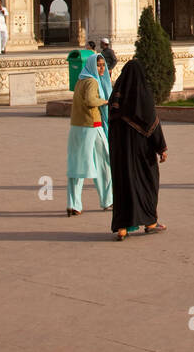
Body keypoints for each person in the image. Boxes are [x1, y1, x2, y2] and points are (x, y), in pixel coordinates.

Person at [107, 59, 169, 240]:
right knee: (148, 183)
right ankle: (150, 222)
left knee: (123, 186)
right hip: (142, 152)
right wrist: (161, 147)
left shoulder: (115, 98)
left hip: (120, 153)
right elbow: (152, 124)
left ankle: (122, 228)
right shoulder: (142, 96)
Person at [66, 51, 113, 217]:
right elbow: (91, 101)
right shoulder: (92, 81)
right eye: (99, 65)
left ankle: (74, 204)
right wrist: (107, 101)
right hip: (93, 126)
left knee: (76, 166)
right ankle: (108, 200)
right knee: (104, 163)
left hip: (77, 127)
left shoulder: (80, 80)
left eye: (103, 65)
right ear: (93, 66)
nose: (101, 69)